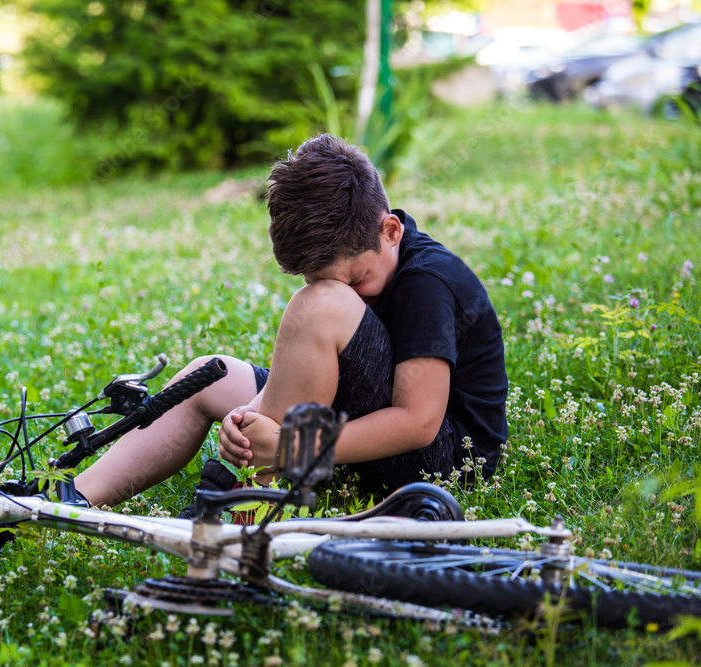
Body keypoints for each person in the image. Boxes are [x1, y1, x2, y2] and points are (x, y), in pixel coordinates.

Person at [74, 134, 507, 510]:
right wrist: (251, 419)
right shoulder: (366, 258)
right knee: (212, 376)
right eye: (324, 280)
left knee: (315, 307)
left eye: (356, 281)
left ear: (391, 230)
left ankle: (239, 504)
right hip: (352, 436)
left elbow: (419, 421)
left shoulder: (427, 281)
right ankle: (73, 497)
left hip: (443, 465)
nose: (348, 295)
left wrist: (291, 449)